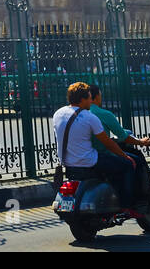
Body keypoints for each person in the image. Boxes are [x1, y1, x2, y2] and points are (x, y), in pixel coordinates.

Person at [51, 81, 137, 213]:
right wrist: (125, 156)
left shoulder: (58, 114)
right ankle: (127, 205)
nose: (91, 101)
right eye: (90, 98)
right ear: (83, 99)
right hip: (89, 162)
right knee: (127, 165)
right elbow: (108, 143)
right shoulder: (89, 117)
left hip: (67, 164)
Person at [88, 83, 150, 202]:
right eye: (100, 95)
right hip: (102, 154)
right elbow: (123, 136)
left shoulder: (80, 114)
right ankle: (128, 201)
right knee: (133, 162)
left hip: (84, 156)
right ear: (96, 96)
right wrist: (141, 142)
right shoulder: (103, 114)